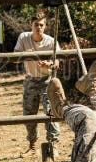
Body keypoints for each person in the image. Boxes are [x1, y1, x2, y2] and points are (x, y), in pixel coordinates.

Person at [14, 12, 61, 152]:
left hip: (48, 80)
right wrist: (26, 55)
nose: (38, 27)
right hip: (30, 79)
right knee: (29, 113)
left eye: (41, 25)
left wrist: (50, 64)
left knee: (50, 112)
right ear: (31, 25)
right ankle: (32, 143)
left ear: (45, 26)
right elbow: (14, 57)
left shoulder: (51, 41)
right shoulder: (24, 37)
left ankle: (53, 144)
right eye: (36, 24)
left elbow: (57, 62)